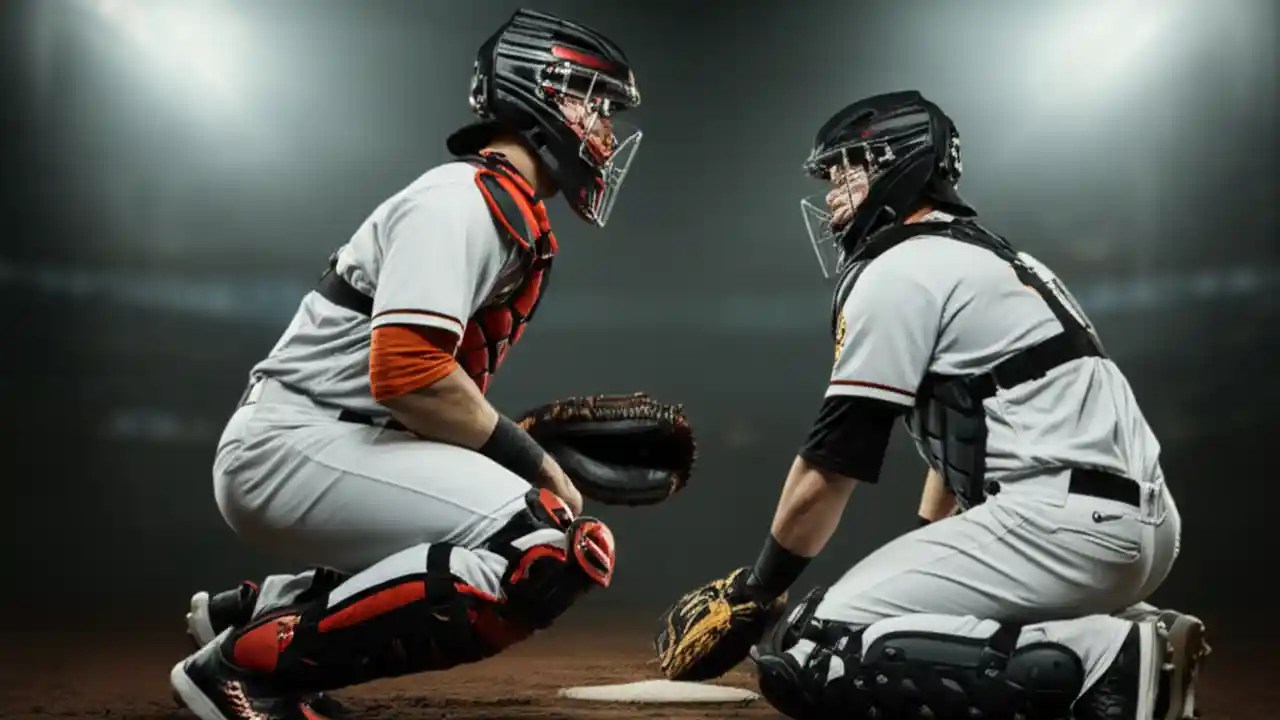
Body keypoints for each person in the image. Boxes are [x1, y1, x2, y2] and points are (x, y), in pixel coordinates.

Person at [659, 90, 1208, 720]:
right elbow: (966, 427)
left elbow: (831, 464)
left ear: (902, 163)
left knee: (814, 645)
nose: (834, 192)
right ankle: (1146, 634)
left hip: (1059, 525)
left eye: (849, 167)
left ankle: (1103, 659)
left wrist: (763, 586)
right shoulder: (994, 255)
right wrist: (932, 552)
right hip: (1140, 526)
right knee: (907, 618)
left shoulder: (898, 266)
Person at [169, 9, 643, 720]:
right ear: (536, 94)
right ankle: (247, 670)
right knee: (539, 545)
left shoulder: (494, 206)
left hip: (333, 437)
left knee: (525, 527)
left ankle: (268, 609)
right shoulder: (464, 202)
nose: (604, 131)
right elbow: (409, 375)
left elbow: (407, 387)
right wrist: (533, 463)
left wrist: (514, 453)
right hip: (292, 445)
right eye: (591, 102)